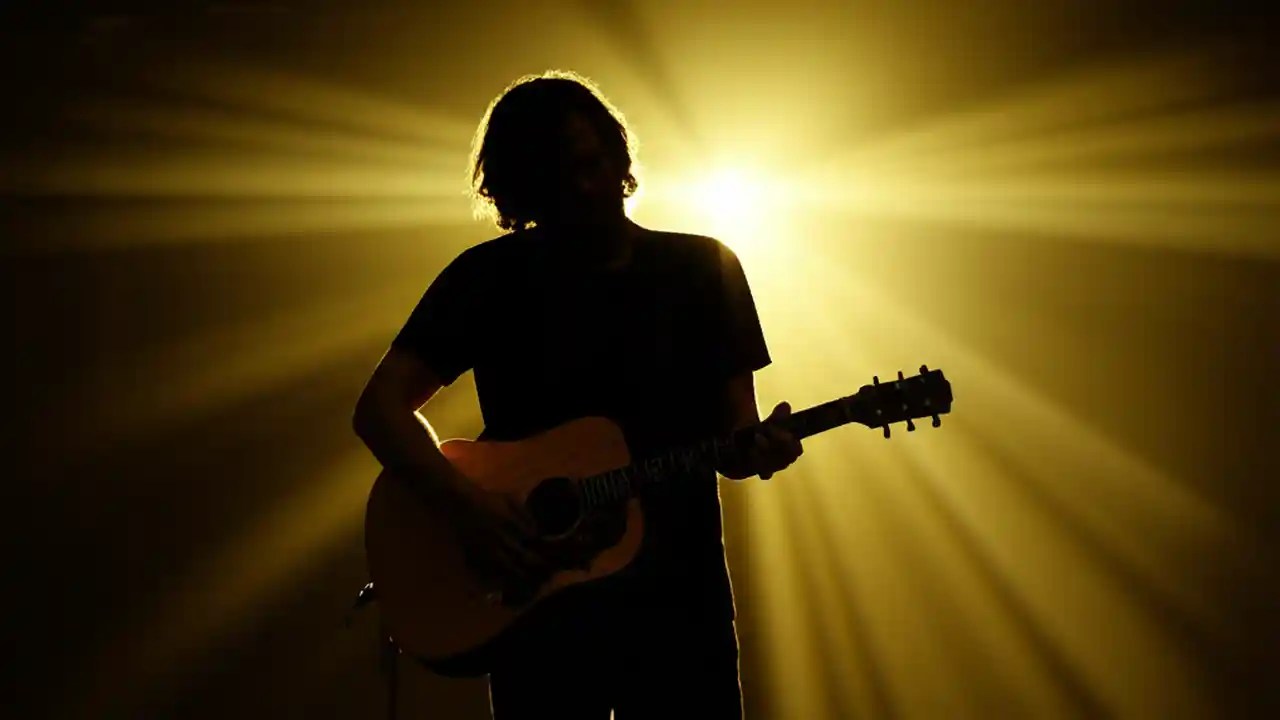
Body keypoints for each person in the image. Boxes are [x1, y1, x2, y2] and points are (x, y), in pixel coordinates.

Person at [352, 70, 802, 719]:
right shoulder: (487, 280)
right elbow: (379, 410)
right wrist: (469, 509)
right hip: (539, 607)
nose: (582, 189)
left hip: (679, 605)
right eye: (556, 178)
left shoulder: (704, 270)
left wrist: (763, 447)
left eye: (590, 164)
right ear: (520, 191)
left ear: (619, 158)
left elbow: (735, 437)